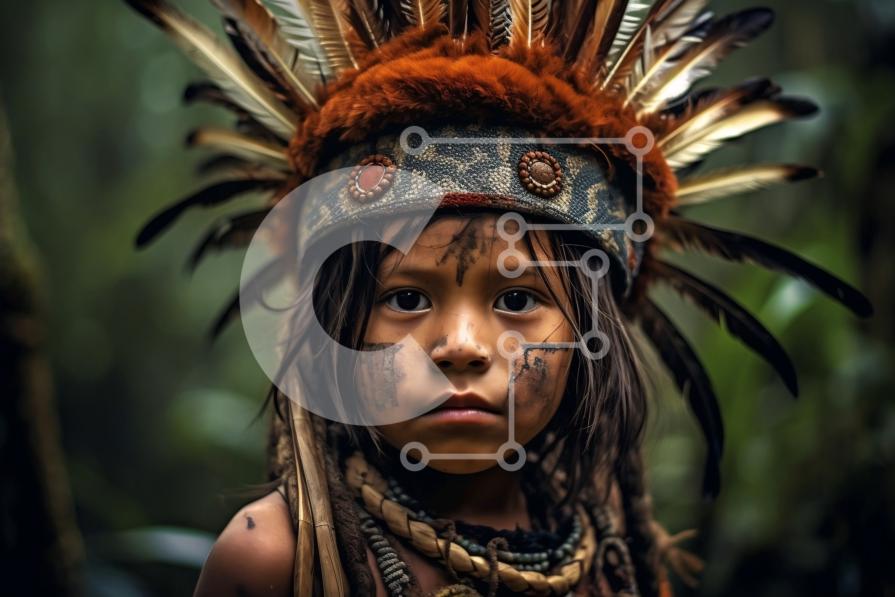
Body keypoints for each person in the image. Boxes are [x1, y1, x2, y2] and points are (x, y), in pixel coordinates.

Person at [124, 1, 873, 595]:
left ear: (588, 337)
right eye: (406, 299)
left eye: (516, 299)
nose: (460, 344)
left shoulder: (615, 562)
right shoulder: (271, 558)